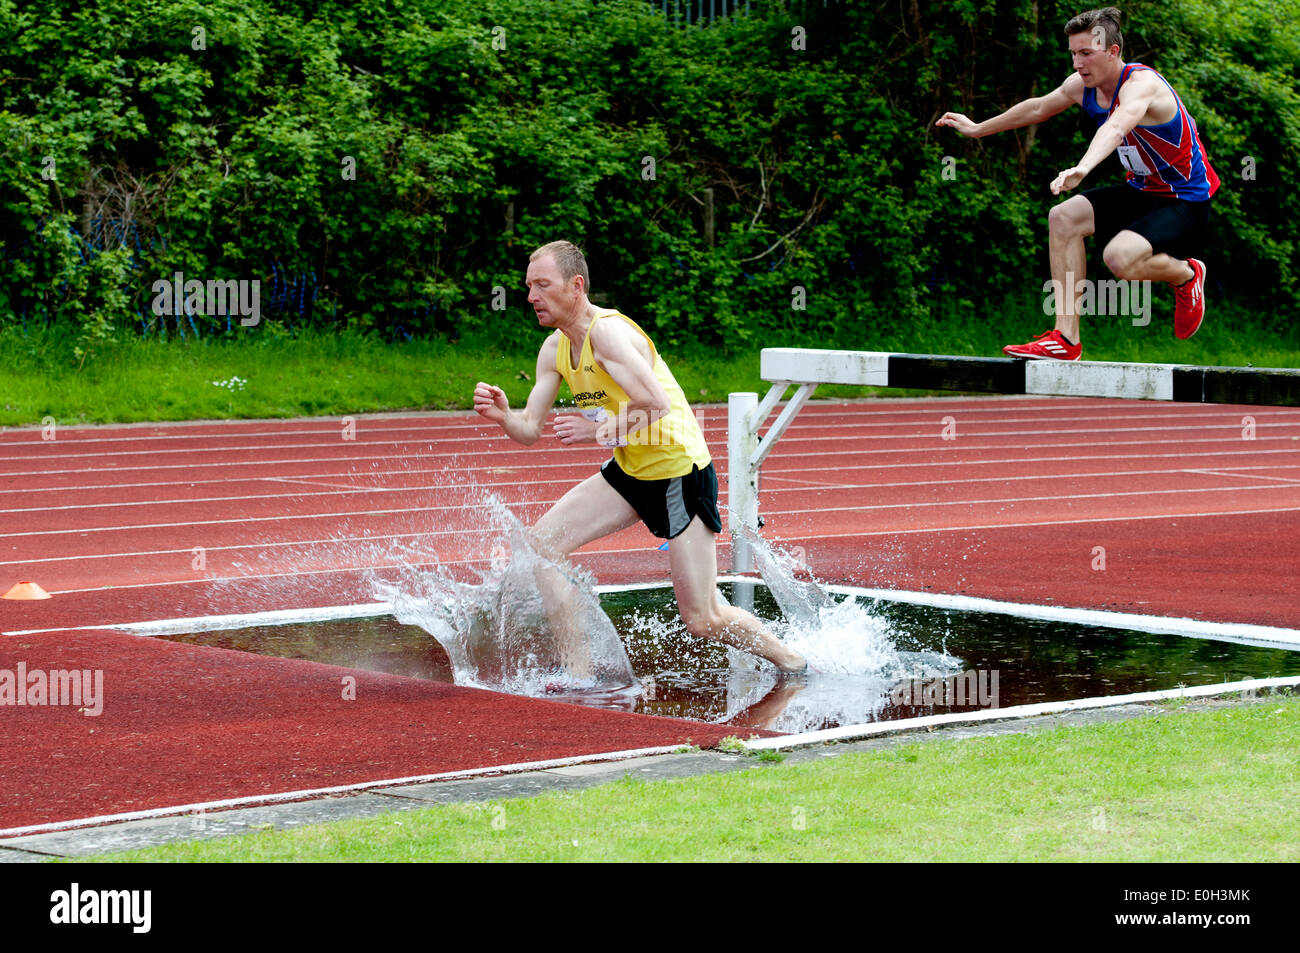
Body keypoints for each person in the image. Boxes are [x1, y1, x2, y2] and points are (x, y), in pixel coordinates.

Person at [473, 240, 808, 673]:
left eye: (542, 285)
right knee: (540, 547)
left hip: (677, 472)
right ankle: (581, 671)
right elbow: (530, 430)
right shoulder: (554, 349)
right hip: (630, 470)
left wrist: (596, 430)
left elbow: (655, 404)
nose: (531, 296)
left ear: (576, 286)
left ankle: (792, 661)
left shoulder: (608, 334)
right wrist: (503, 416)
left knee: (702, 619)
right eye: (527, 286)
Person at [936, 6, 1219, 360]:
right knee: (1062, 218)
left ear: (1112, 52)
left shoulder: (1142, 86)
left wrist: (1083, 168)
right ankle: (1066, 339)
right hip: (1141, 191)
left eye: (1086, 53)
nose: (1077, 63)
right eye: (1073, 54)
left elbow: (1116, 127)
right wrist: (978, 128)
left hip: (1185, 200)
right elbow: (1038, 108)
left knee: (1118, 258)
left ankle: (1186, 274)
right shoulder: (1081, 87)